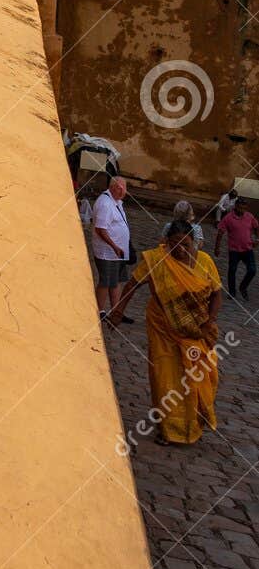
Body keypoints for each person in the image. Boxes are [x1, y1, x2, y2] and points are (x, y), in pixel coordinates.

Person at [110, 220, 222, 445]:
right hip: (163, 329)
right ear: (166, 242)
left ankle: (194, 426)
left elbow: (217, 294)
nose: (180, 250)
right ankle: (169, 430)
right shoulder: (157, 260)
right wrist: (118, 311)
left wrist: (210, 322)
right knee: (166, 378)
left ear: (195, 243)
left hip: (197, 332)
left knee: (201, 376)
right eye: (174, 244)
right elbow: (133, 284)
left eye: (185, 245)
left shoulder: (205, 262)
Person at [92, 176, 133, 321]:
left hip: (118, 252)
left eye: (124, 189)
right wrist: (114, 246)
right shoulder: (105, 203)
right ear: (112, 187)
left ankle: (116, 312)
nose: (122, 192)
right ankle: (99, 311)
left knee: (115, 281)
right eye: (119, 188)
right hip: (107, 252)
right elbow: (100, 229)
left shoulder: (116, 201)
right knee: (105, 281)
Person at [214, 193, 258, 301]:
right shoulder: (228, 218)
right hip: (234, 250)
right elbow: (220, 233)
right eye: (240, 207)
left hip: (248, 249)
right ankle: (232, 292)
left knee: (252, 270)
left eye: (244, 208)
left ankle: (243, 287)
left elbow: (257, 227)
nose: (242, 210)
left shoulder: (249, 216)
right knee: (232, 270)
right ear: (236, 206)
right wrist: (217, 248)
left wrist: (257, 239)